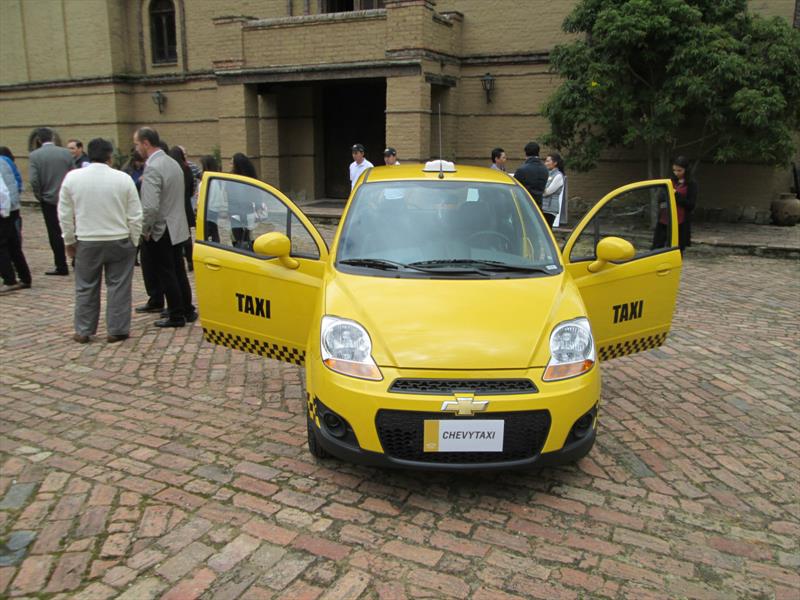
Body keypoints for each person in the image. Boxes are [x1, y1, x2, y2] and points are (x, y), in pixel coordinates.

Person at [58, 138, 142, 343]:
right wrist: (135, 240)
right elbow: (135, 214)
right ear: (110, 156)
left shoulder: (73, 178)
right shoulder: (123, 179)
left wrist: (68, 240)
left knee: (86, 286)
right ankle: (117, 329)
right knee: (119, 286)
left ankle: (84, 329)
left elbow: (64, 214)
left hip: (87, 239)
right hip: (119, 237)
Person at [134, 127, 196, 327]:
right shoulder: (172, 163)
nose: (136, 148)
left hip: (162, 228)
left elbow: (150, 206)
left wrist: (144, 230)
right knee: (178, 270)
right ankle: (186, 309)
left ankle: (176, 314)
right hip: (177, 225)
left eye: (136, 144)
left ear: (145, 143)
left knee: (166, 272)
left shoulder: (153, 167)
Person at [29, 127, 73, 275]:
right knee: (73, 227)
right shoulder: (66, 153)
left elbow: (34, 180)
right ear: (53, 138)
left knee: (54, 233)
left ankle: (61, 265)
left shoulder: (35, 155)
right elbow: (73, 173)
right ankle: (76, 259)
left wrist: (39, 195)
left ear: (39, 140)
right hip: (67, 197)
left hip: (48, 199)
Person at [0, 154, 31, 294]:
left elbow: (2, 191)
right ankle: (25, 277)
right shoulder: (3, 161)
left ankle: (10, 280)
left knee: (2, 245)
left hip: (4, 209)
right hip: (12, 207)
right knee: (13, 244)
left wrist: (4, 210)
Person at [653, 156, 697, 254]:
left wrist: (676, 195)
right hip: (664, 220)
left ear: (686, 169)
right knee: (656, 248)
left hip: (679, 222)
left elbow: (691, 205)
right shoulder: (670, 181)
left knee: (676, 250)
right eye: (674, 170)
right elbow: (661, 198)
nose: (676, 173)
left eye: (679, 170)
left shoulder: (691, 184)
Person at [169, 146, 196, 272]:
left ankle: (178, 260)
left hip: (174, 206)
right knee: (187, 235)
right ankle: (190, 260)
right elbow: (192, 188)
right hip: (185, 205)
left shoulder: (171, 171)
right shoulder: (187, 169)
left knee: (175, 235)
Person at [229, 153, 258, 249]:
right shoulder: (249, 180)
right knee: (246, 239)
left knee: (241, 242)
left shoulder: (237, 182)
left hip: (238, 215)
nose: (230, 166)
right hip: (245, 215)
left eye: (231, 163)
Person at [513, 141, 549, 207]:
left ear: (526, 153)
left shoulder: (522, 170)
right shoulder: (545, 169)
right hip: (538, 207)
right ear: (538, 152)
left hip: (524, 206)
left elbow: (514, 189)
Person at [542, 153, 566, 228]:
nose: (546, 163)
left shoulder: (558, 176)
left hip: (550, 209)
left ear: (555, 163)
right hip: (543, 207)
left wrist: (539, 189)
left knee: (547, 230)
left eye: (548, 161)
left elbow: (547, 192)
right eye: (545, 161)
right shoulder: (547, 174)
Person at [200, 155, 221, 243]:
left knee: (209, 232)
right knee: (214, 231)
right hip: (213, 209)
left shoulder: (210, 181)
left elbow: (208, 197)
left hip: (208, 210)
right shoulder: (215, 180)